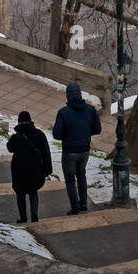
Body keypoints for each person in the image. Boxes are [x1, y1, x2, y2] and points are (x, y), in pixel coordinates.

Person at [53, 82, 101, 214]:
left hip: (69, 152)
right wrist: (84, 132)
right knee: (81, 176)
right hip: (84, 150)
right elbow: (97, 129)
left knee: (70, 180)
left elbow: (57, 135)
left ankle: (75, 208)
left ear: (68, 96)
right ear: (80, 94)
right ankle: (83, 204)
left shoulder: (63, 113)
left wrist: (68, 134)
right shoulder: (90, 110)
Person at [7, 111, 53, 224]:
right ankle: (34, 214)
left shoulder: (16, 137)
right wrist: (48, 169)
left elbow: (10, 148)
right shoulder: (39, 134)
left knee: (20, 193)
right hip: (35, 169)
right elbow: (46, 152)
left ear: (19, 122)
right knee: (33, 192)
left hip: (19, 170)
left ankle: (23, 217)